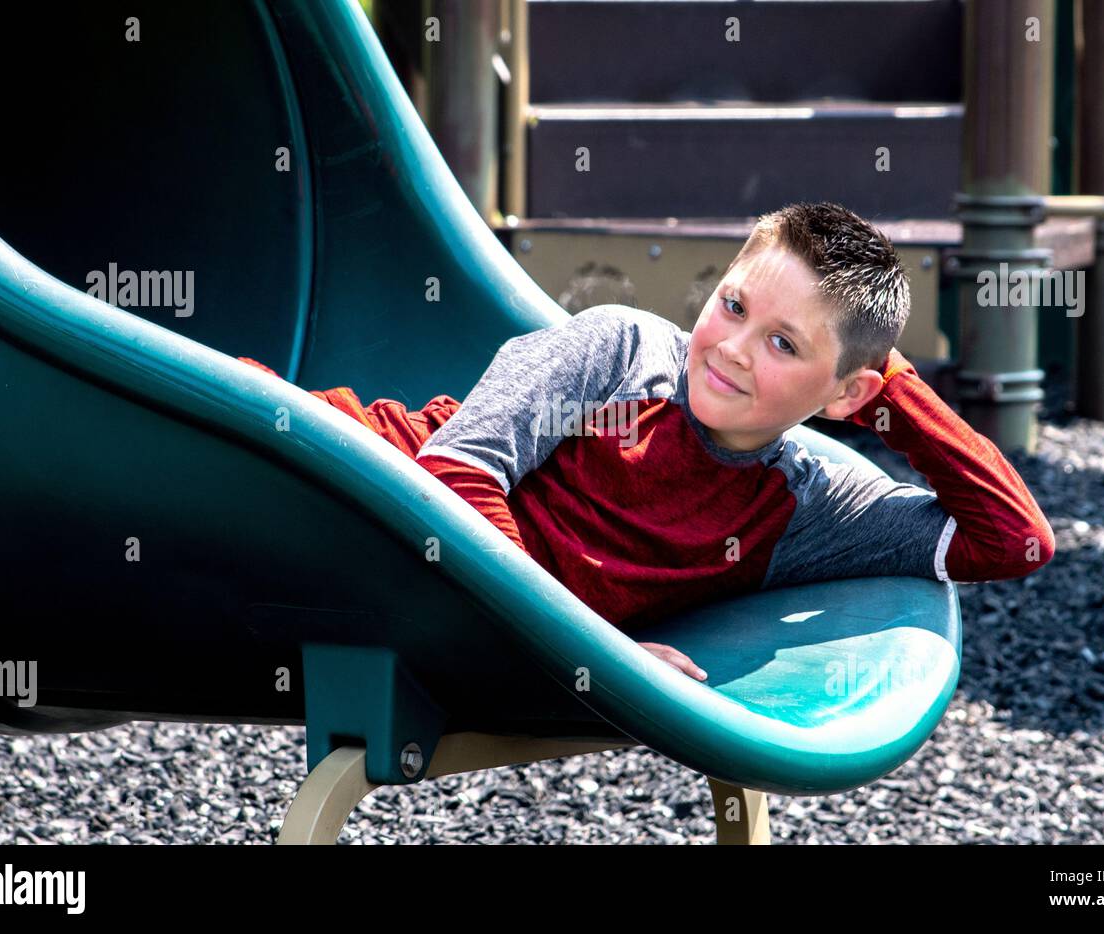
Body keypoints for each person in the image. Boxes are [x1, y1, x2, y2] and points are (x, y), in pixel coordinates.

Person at [239, 202, 1055, 681]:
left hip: (417, 598)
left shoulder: (800, 508)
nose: (733, 348)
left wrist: (893, 393)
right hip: (329, 460)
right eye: (733, 307)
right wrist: (600, 652)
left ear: (846, 393)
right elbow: (457, 475)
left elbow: (1012, 540)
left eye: (784, 344)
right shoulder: (622, 351)